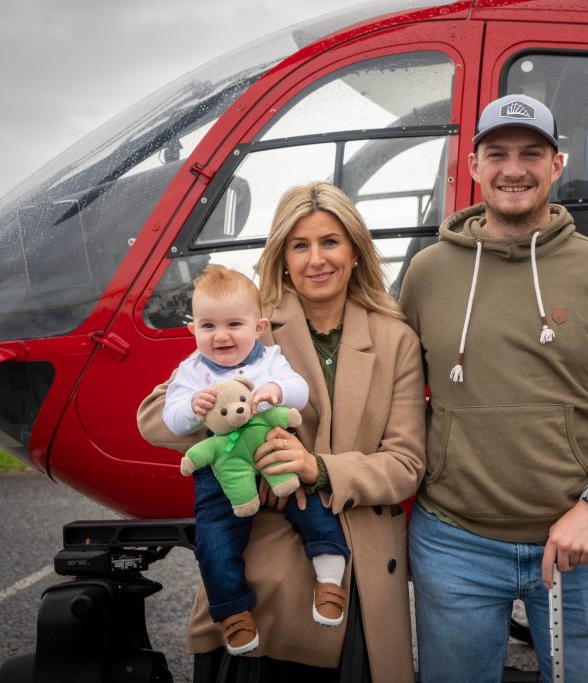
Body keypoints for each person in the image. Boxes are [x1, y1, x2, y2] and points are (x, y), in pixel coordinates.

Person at [398, 93, 588, 683]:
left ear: (556, 165)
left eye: (531, 154)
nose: (513, 169)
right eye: (497, 153)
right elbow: (392, 393)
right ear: (472, 166)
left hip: (583, 547)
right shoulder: (427, 273)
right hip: (454, 545)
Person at [138, 182, 425, 682]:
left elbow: (405, 465)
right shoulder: (250, 323)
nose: (317, 259)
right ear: (282, 257)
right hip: (266, 575)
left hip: (363, 579)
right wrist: (237, 434)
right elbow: (154, 416)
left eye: (330, 242)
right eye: (300, 245)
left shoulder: (395, 338)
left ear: (355, 251)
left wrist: (316, 468)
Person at [160, 265, 350, 656]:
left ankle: (330, 578)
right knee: (213, 539)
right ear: (193, 330)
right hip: (221, 470)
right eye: (208, 326)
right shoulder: (191, 371)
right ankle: (233, 614)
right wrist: (193, 408)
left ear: (259, 326)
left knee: (312, 506)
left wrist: (275, 389)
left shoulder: (270, 359)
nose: (222, 335)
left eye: (234, 323)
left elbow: (300, 390)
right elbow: (171, 418)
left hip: (274, 452)